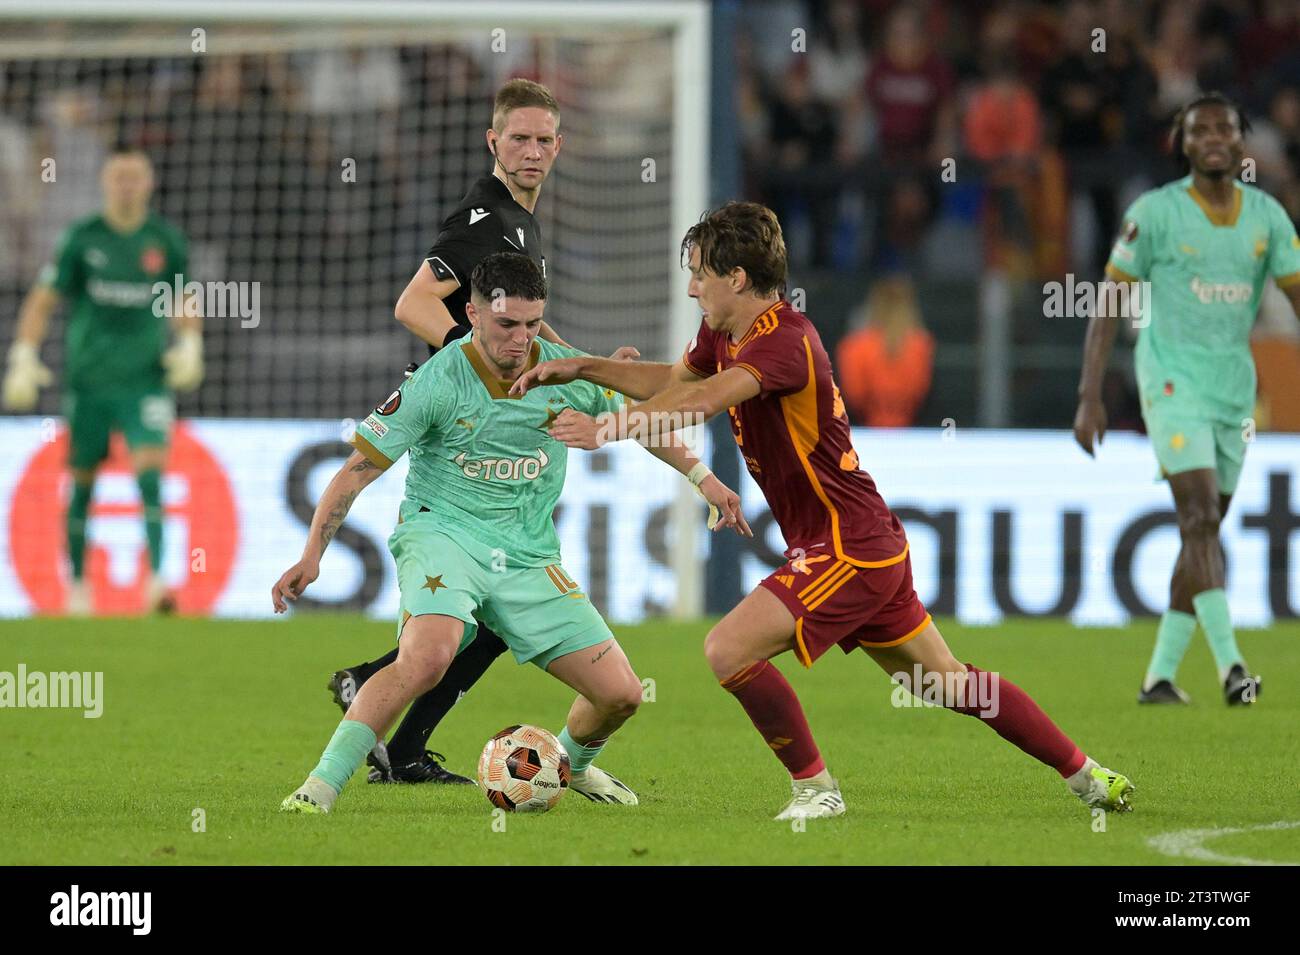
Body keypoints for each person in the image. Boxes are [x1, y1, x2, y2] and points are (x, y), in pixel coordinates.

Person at [512, 202, 1133, 821]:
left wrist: (606, 427)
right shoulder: (724, 332)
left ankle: (816, 789)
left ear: (736, 278)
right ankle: (1088, 777)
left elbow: (702, 400)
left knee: (729, 649)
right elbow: (675, 381)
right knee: (945, 682)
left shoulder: (787, 341)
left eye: (701, 272)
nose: (693, 286)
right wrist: (584, 365)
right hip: (856, 542)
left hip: (848, 546)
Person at [273, 252, 748, 814]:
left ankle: (569, 767)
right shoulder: (438, 381)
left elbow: (642, 418)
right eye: (506, 325)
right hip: (443, 534)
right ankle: (318, 788)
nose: (522, 339)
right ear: (471, 314)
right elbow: (356, 470)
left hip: (527, 553)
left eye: (531, 324)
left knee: (620, 695)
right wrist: (312, 555)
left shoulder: (564, 369)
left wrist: (705, 479)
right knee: (427, 658)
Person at [329, 78, 636, 786]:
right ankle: (375, 691)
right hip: (465, 435)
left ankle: (400, 743)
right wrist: (474, 372)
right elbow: (413, 302)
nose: (531, 151)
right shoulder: (484, 216)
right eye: (518, 138)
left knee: (493, 616)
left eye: (543, 140)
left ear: (559, 146)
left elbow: (525, 327)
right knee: (484, 603)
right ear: (493, 142)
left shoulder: (519, 223)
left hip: (493, 429)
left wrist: (574, 364)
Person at [1074, 93, 1300, 706]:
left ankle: (1158, 678)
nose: (1215, 139)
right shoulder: (1154, 213)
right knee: (1200, 518)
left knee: (1202, 533)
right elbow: (1109, 300)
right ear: (1182, 142)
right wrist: (1089, 394)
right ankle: (1233, 668)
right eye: (1201, 131)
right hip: (1169, 383)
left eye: (1226, 128)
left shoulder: (1268, 219)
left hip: (1234, 391)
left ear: (1242, 139)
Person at [3, 147, 202, 615]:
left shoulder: (165, 241)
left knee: (150, 472)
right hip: (89, 381)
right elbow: (43, 298)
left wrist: (190, 341)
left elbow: (183, 296)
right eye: (119, 177)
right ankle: (78, 587)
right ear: (105, 183)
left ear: (150, 183)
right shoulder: (82, 238)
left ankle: (156, 582)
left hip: (145, 380)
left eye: (135, 177)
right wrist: (23, 352)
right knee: (83, 482)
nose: (127, 185)